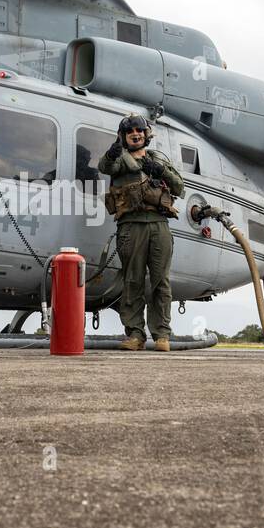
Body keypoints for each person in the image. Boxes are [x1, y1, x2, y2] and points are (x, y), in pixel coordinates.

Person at [98, 112, 184, 351]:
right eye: (129, 131)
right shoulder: (120, 159)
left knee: (160, 281)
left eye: (139, 130)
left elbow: (179, 186)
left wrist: (159, 170)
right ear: (123, 136)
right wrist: (114, 150)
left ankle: (161, 335)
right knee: (133, 280)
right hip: (131, 226)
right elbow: (105, 166)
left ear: (146, 134)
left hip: (159, 225)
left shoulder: (157, 159)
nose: (135, 134)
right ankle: (135, 334)